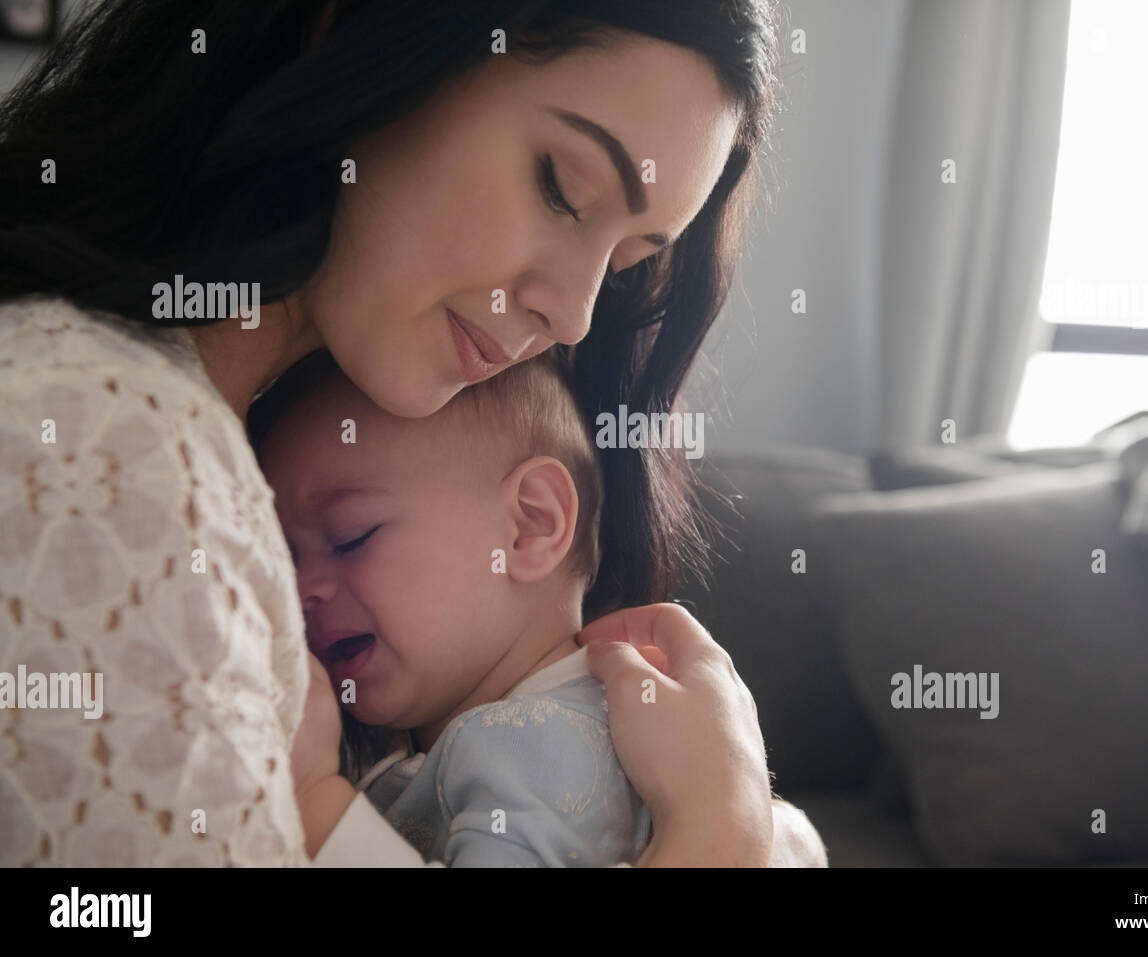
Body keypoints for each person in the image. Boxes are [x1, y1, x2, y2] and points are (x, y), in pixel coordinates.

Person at [0, 0, 827, 866]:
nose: (575, 314)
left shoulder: (248, 449)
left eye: (628, 265)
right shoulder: (102, 453)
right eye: (561, 186)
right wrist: (720, 835)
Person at [255, 347, 651, 865]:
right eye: (285, 558)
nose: (300, 588)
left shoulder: (548, 741)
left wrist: (316, 804)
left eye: (351, 536)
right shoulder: (491, 732)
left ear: (529, 525)